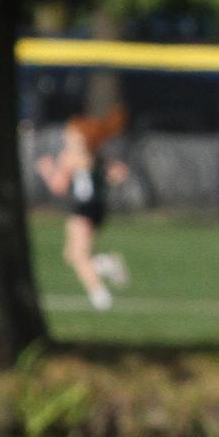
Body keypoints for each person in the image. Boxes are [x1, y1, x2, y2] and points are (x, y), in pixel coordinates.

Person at [33, 106, 131, 311]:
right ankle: (106, 264)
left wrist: (47, 170)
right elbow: (119, 172)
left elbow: (59, 186)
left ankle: (101, 297)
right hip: (98, 208)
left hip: (81, 207)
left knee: (79, 256)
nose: (65, 135)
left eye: (70, 132)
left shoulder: (70, 157)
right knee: (71, 254)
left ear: (80, 136)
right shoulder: (97, 155)